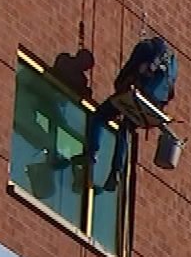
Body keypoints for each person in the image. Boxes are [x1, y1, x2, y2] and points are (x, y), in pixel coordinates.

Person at [52, 35, 177, 192]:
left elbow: (130, 70)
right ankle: (116, 172)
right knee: (124, 130)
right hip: (152, 104)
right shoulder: (170, 63)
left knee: (99, 116)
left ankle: (91, 153)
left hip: (136, 95)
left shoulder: (146, 48)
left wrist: (121, 86)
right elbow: (170, 92)